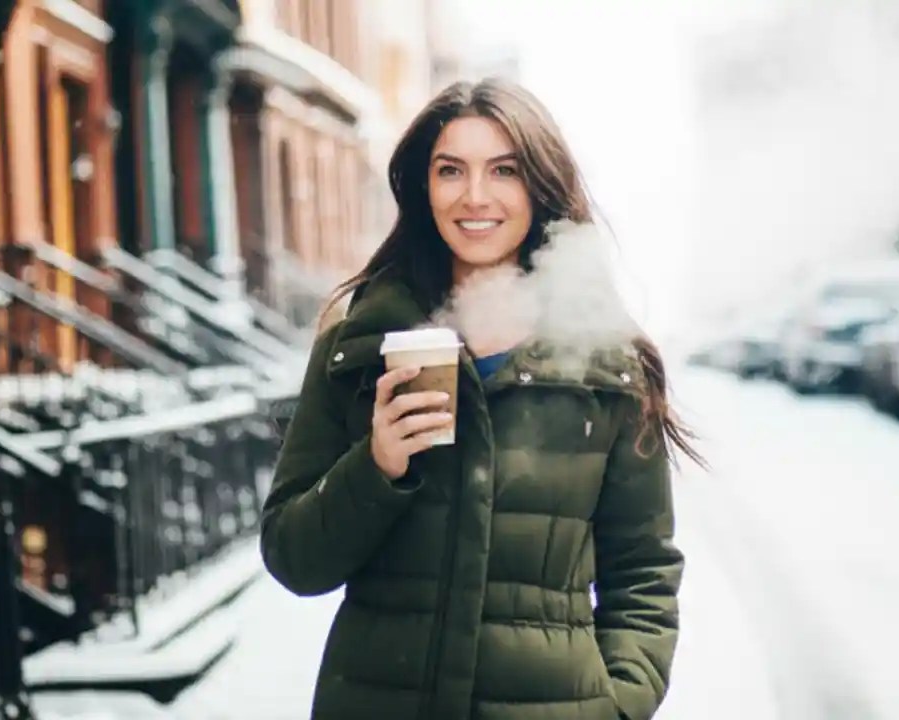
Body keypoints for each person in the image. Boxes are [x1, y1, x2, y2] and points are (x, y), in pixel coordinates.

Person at [260, 78, 701, 720]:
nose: (475, 196)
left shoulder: (605, 366)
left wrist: (618, 704)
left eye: (504, 171)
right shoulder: (359, 347)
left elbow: (643, 574)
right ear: (422, 187)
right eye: (450, 171)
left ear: (539, 186)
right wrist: (376, 466)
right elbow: (294, 560)